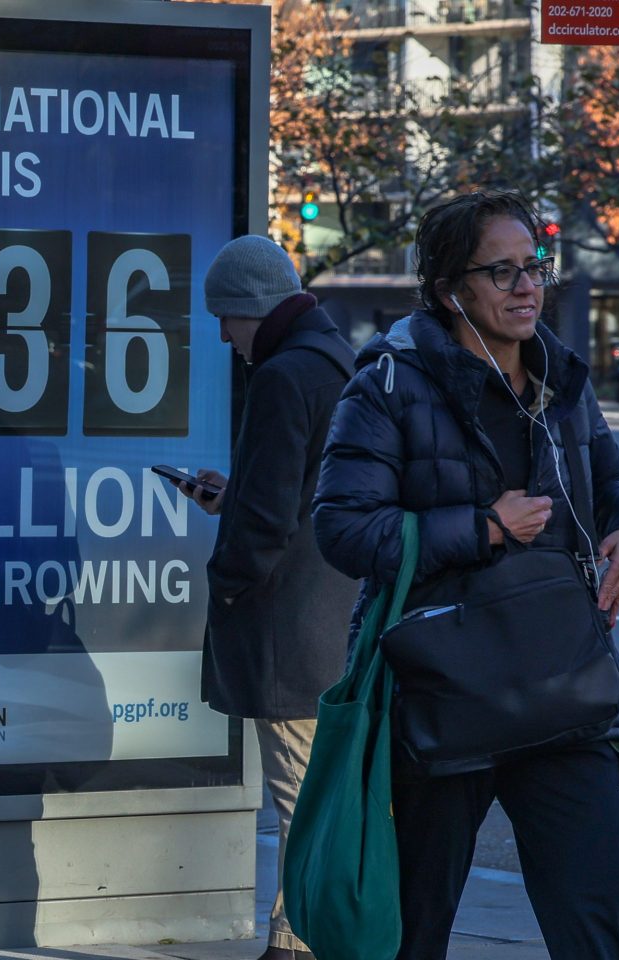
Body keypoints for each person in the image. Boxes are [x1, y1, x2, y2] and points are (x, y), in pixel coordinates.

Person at [313, 190, 619, 959]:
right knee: (410, 934)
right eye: (500, 272)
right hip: (443, 702)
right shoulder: (388, 384)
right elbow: (340, 527)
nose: (527, 286)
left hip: (564, 693)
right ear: (450, 289)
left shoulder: (562, 383)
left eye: (534, 266)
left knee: (595, 930)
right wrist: (483, 528)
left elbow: (615, 487)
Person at [176, 235, 358, 960]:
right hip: (335, 618)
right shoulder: (338, 361)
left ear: (254, 307)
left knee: (298, 798)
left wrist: (225, 584)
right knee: (316, 797)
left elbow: (268, 520)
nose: (223, 335)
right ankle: (297, 939)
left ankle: (295, 946)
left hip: (288, 630)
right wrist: (239, 492)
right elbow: (312, 494)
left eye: (226, 318)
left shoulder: (285, 376)